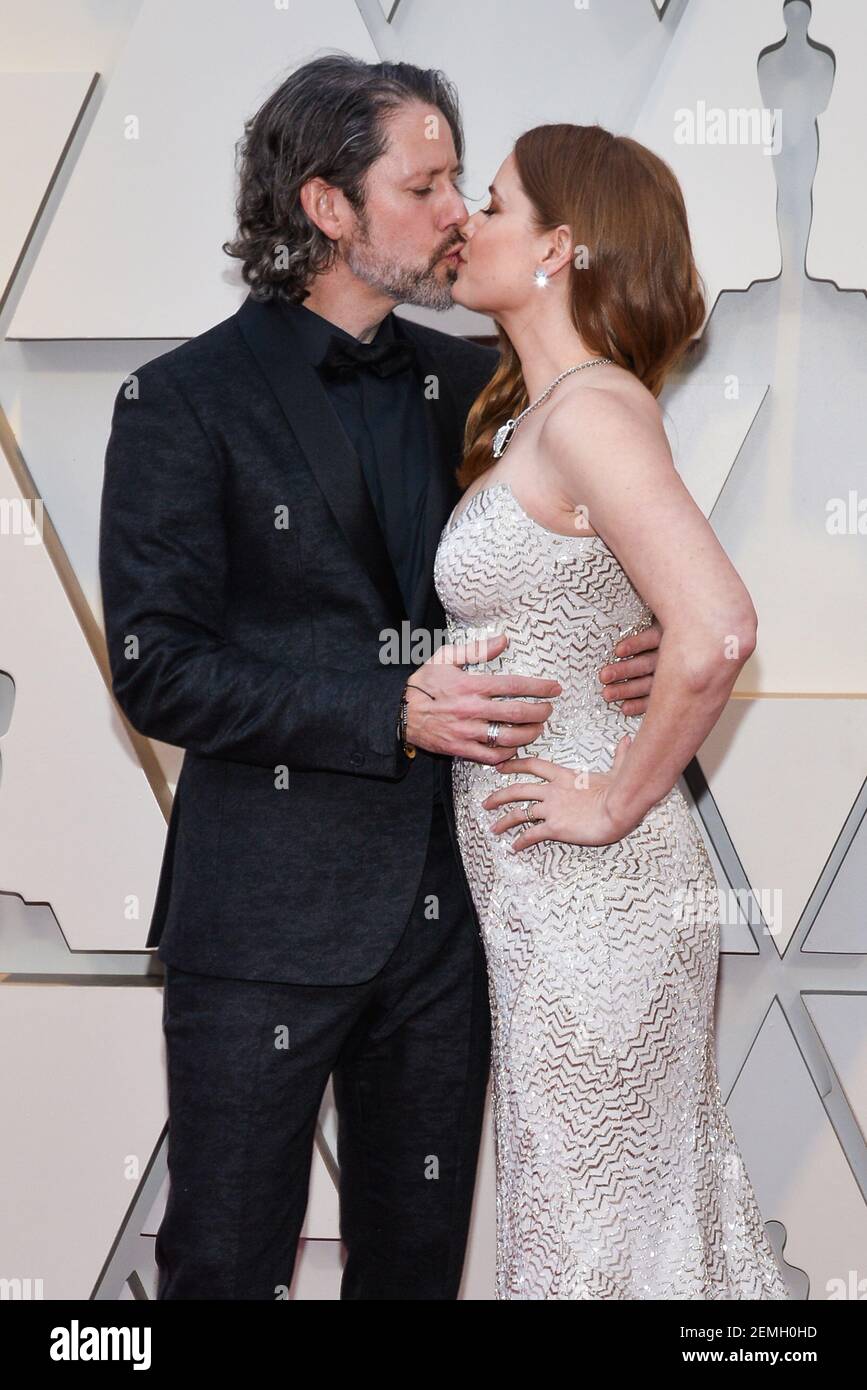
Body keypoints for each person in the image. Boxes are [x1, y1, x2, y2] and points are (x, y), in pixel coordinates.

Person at [98, 56, 662, 1300]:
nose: (459, 206)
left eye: (465, 178)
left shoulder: (479, 389)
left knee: (414, 1273)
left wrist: (650, 633)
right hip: (261, 925)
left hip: (458, 918)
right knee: (225, 1266)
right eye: (426, 183)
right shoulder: (181, 402)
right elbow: (159, 670)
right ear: (328, 208)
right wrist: (385, 709)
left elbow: (587, 555)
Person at [432, 122, 792, 1300]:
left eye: (490, 203)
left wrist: (614, 800)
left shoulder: (588, 413)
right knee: (605, 1221)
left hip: (597, 899)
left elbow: (719, 628)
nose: (460, 223)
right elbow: (643, 621)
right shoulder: (555, 412)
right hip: (552, 908)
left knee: (594, 1233)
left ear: (560, 246)